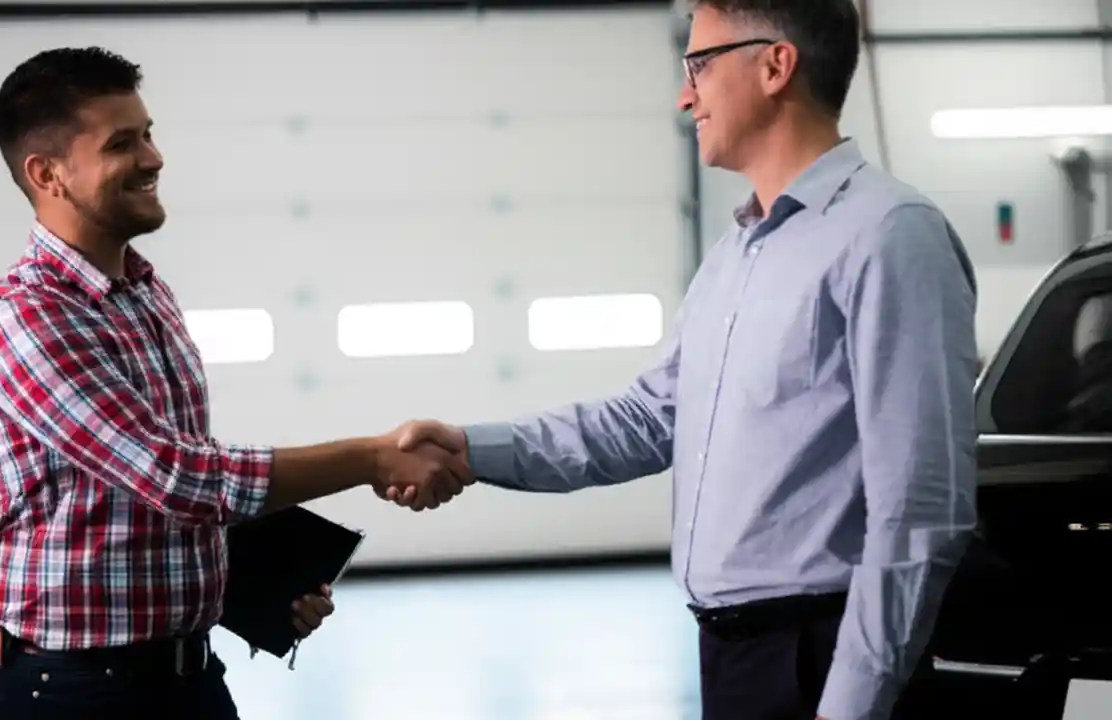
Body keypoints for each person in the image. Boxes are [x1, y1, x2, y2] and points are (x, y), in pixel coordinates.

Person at [392, 1, 978, 718]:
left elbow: (920, 509)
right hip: (735, 657)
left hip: (822, 659)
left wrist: (851, 704)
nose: (683, 94)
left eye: (699, 64)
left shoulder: (888, 237)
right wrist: (472, 448)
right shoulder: (736, 257)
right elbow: (646, 420)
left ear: (775, 65)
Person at [0, 47, 471, 720]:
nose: (154, 157)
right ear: (47, 174)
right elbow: (173, 474)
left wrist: (251, 583)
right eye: (124, 143)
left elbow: (147, 489)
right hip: (74, 692)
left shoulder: (144, 293)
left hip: (187, 676)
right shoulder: (29, 316)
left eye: (148, 133)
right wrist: (370, 457)